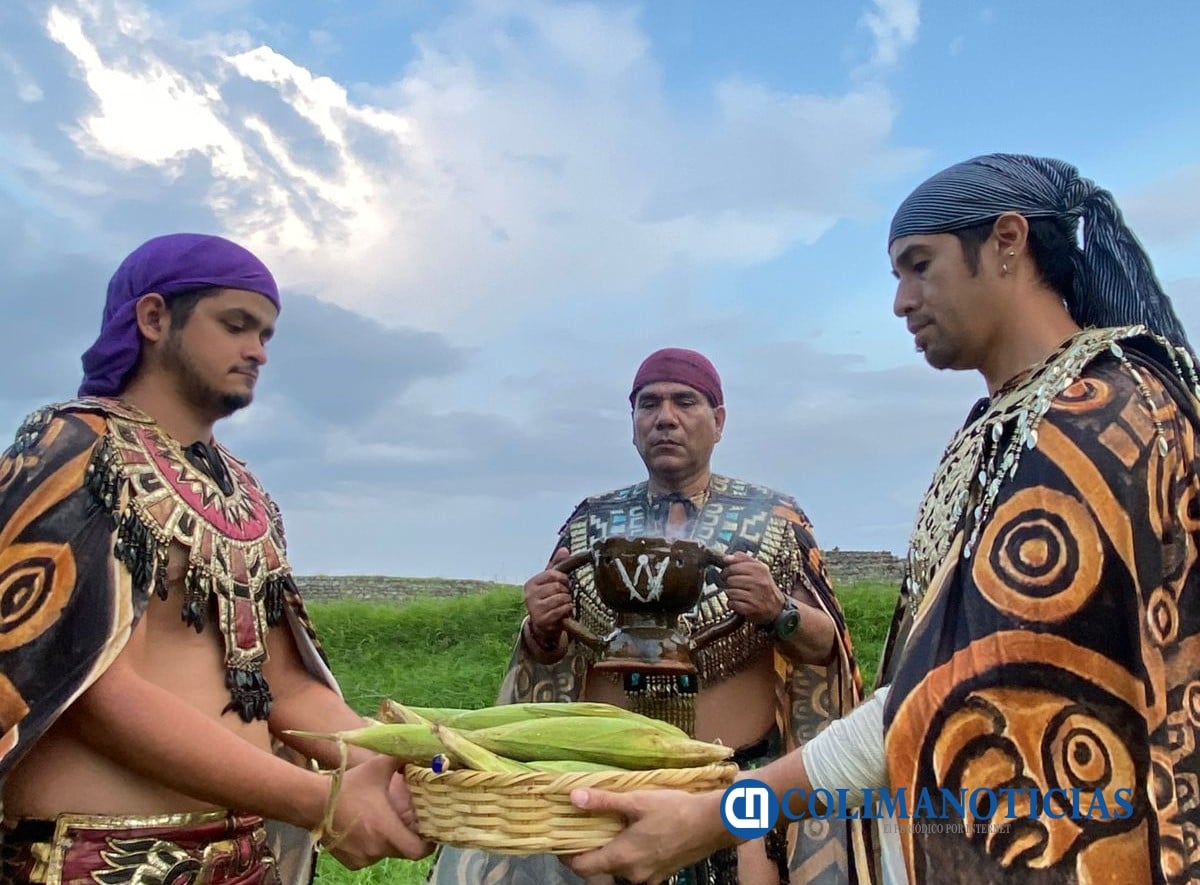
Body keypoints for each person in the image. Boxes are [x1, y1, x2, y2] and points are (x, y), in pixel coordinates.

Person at [563, 153, 1200, 885]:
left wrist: (719, 815)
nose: (900, 300)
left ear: (1008, 242)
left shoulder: (1092, 421)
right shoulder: (1017, 421)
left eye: (918, 265)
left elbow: (945, 698)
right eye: (896, 274)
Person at [0, 234, 432, 883]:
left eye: (266, 334)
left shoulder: (248, 494)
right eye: (236, 324)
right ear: (153, 318)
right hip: (93, 860)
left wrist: (402, 760)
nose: (257, 350)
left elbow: (283, 685)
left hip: (243, 858)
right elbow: (88, 686)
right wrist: (319, 799)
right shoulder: (73, 450)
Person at [432, 348, 869, 885]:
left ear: (719, 420)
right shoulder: (590, 521)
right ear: (633, 424)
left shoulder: (774, 519)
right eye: (648, 404)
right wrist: (539, 626)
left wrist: (779, 612)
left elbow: (827, 651)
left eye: (685, 401)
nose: (666, 416)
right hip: (607, 791)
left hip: (739, 787)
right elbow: (555, 654)